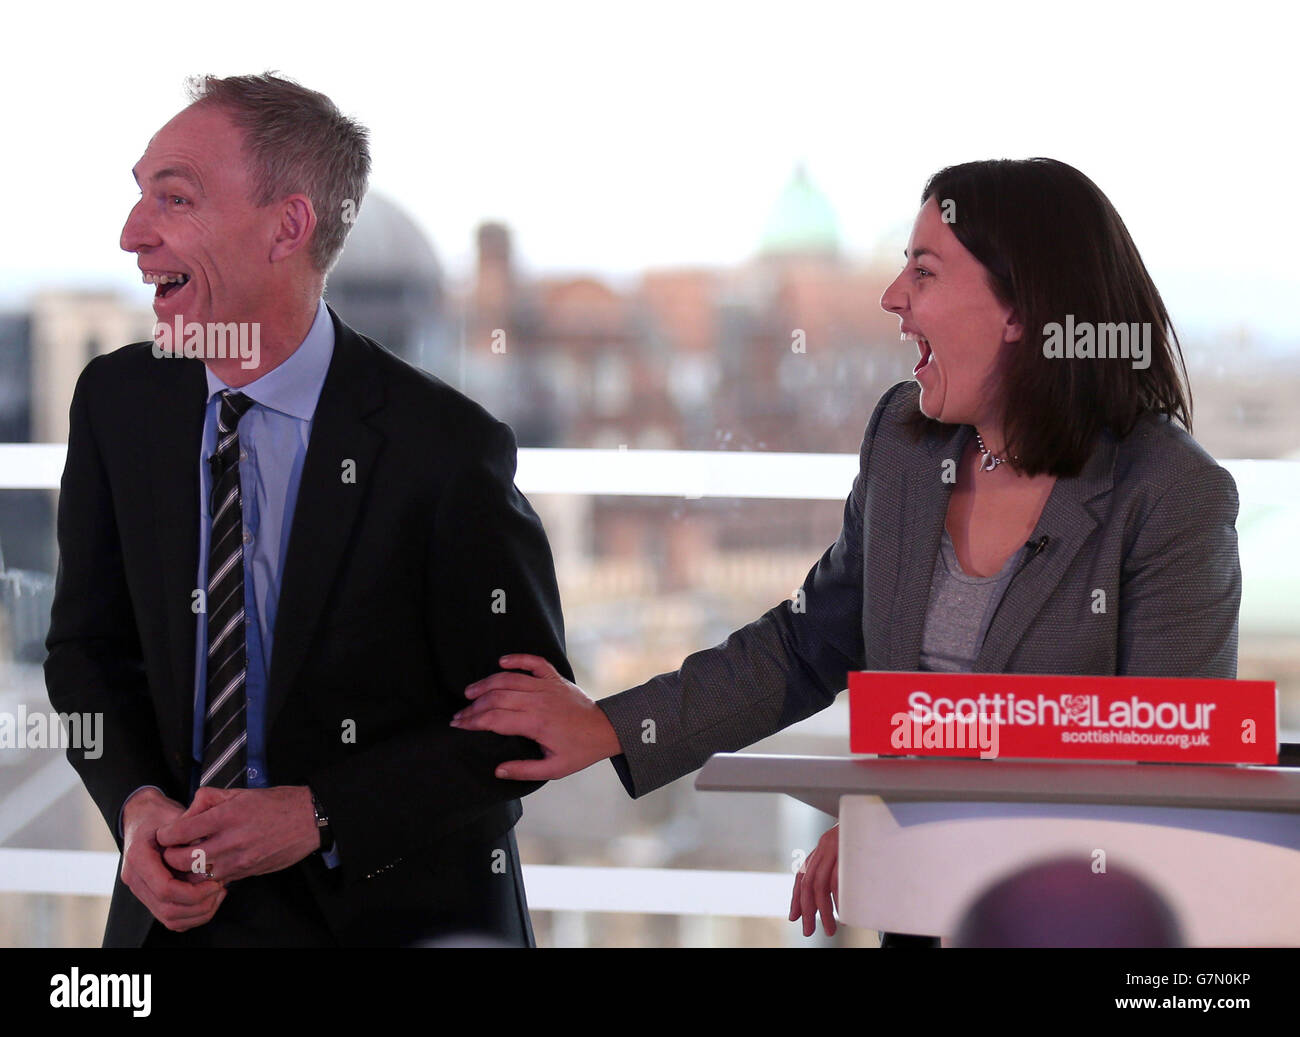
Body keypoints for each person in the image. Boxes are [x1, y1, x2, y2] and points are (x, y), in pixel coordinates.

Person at [451, 158, 1241, 946]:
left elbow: (1158, 773)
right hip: (918, 922)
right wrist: (611, 726)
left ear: (1019, 311)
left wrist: (907, 825)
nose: (893, 298)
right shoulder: (907, 444)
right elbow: (806, 644)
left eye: (923, 272)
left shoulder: (1172, 496)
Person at [44, 72, 572, 947]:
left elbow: (523, 722)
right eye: (140, 197)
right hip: (175, 915)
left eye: (174, 197)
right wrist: (136, 806)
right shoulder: (116, 400)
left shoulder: (443, 445)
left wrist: (317, 813)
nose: (133, 235)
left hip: (392, 916)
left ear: (286, 226)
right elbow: (86, 654)